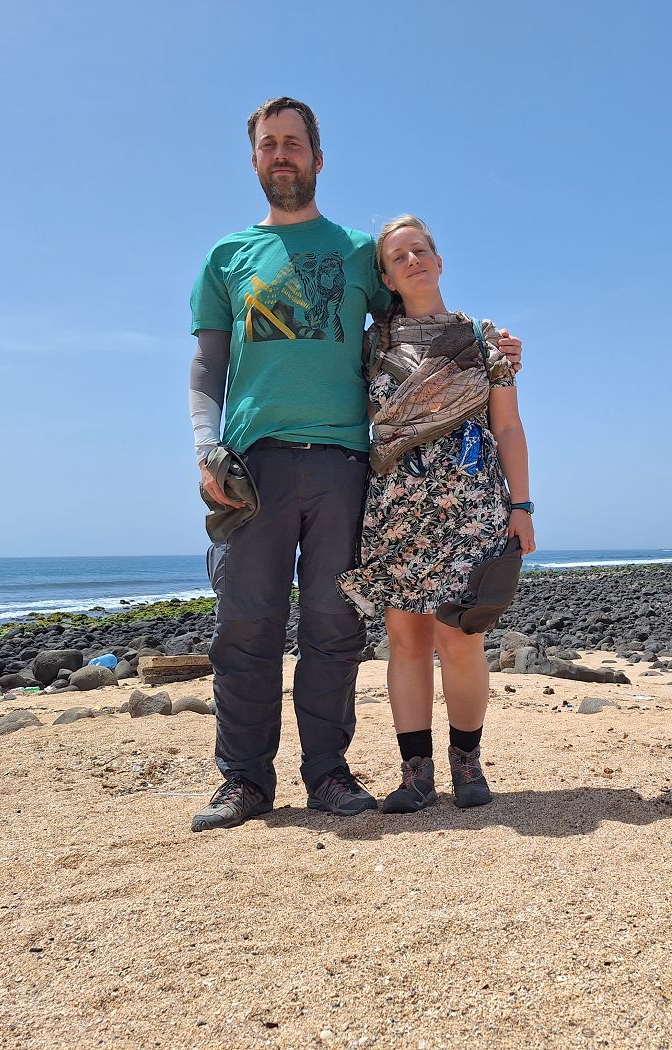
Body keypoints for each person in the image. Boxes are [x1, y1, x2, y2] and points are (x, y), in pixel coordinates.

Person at [186, 99, 521, 832]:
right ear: (254, 160)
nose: (282, 155)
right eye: (269, 144)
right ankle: (243, 782)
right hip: (251, 463)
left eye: (295, 143)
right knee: (245, 625)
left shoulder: (353, 252)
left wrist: (489, 338)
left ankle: (328, 775)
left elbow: (415, 308)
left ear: (317, 158)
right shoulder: (225, 257)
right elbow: (207, 365)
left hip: (345, 465)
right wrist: (205, 443)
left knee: (335, 627)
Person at [339, 215, 535, 813]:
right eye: (399, 258)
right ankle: (415, 775)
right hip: (398, 507)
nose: (413, 262)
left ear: (439, 259)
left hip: (471, 505)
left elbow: (507, 425)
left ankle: (467, 765)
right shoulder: (371, 345)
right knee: (405, 638)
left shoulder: (483, 339)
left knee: (461, 636)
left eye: (420, 251)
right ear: (388, 277)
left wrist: (522, 505)